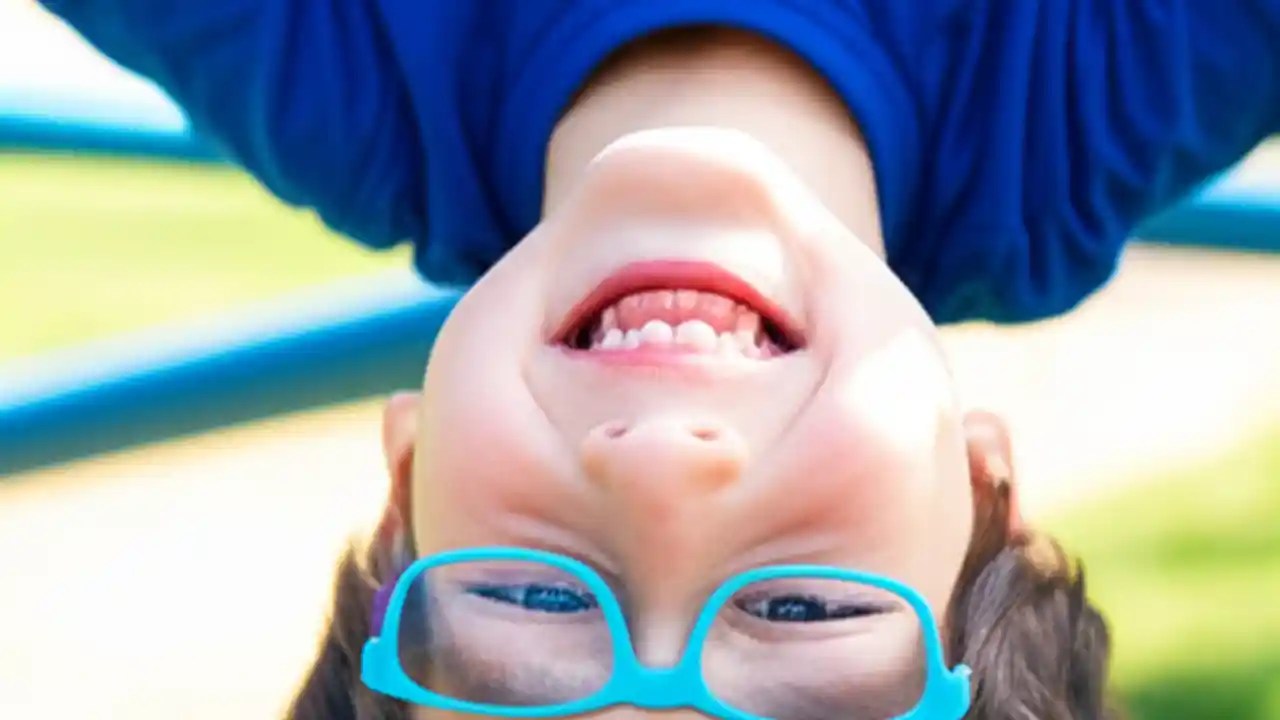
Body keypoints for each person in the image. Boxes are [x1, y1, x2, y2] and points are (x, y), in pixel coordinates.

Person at [37, 2, 1279, 717]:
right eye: (802, 609)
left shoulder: (329, 63)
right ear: (983, 506)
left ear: (409, 484)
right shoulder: (1096, 91)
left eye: (531, 595)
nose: (662, 466)